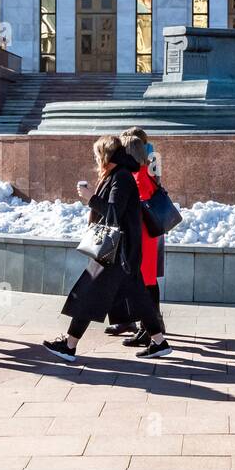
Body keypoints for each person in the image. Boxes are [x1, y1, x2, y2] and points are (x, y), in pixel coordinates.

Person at [43, 135, 171, 362]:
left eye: (97, 154)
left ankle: (69, 346)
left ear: (106, 155)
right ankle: (160, 342)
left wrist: (91, 197)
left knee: (88, 293)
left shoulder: (121, 177)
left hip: (116, 252)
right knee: (139, 297)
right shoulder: (118, 174)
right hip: (123, 251)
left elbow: (114, 213)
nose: (95, 159)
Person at [103, 131, 166, 347]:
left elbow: (139, 202)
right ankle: (147, 328)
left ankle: (150, 330)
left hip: (142, 236)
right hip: (145, 235)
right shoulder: (142, 171)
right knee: (146, 282)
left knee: (145, 282)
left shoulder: (137, 175)